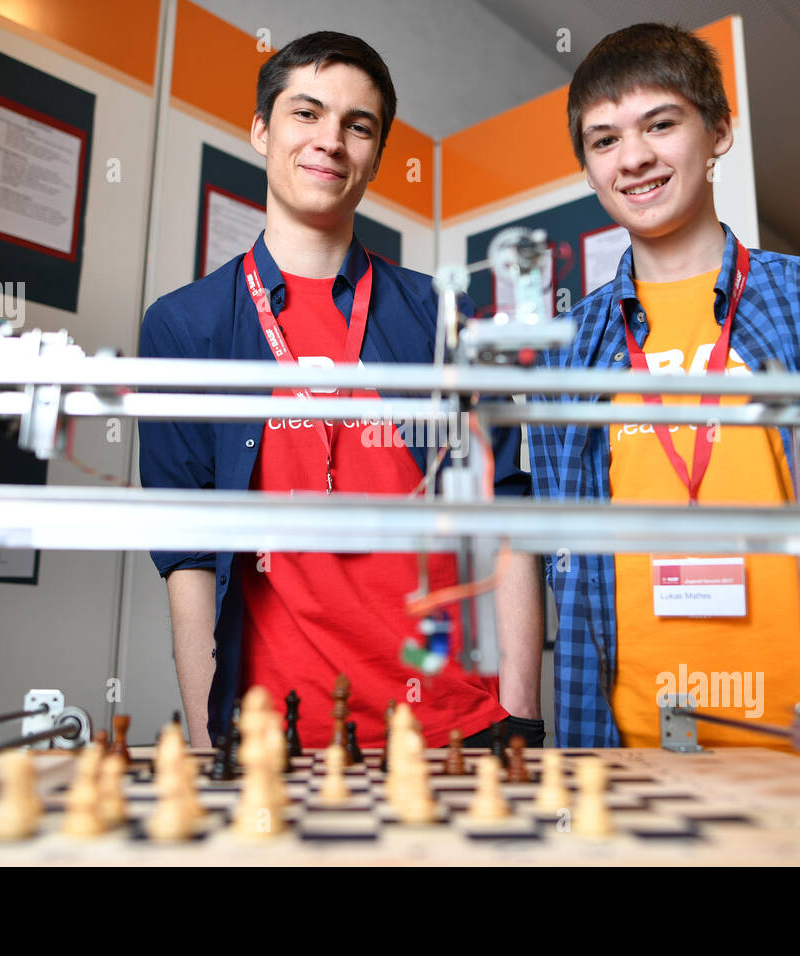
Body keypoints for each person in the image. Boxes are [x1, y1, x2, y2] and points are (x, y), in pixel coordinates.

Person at [528, 23, 800, 787]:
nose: (632, 158)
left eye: (660, 124)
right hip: (624, 767)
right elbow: (549, 556)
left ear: (718, 131)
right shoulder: (568, 348)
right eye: (603, 140)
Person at [139, 32, 544, 751]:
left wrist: (519, 715)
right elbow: (189, 552)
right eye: (307, 114)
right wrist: (209, 739)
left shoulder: (444, 319)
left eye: (358, 126)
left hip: (456, 728)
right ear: (262, 128)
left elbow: (504, 517)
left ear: (377, 155)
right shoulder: (186, 325)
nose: (330, 141)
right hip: (275, 736)